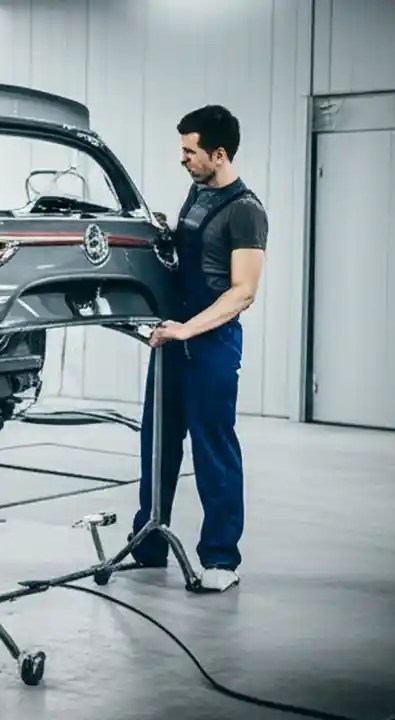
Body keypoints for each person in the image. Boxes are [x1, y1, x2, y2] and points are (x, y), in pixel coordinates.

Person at [129, 104, 268, 593]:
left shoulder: (246, 211)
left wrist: (189, 330)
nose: (182, 159)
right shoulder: (197, 193)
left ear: (219, 153)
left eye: (190, 151)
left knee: (214, 449)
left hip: (211, 346)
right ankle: (147, 544)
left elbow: (242, 292)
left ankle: (221, 559)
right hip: (172, 337)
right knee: (157, 444)